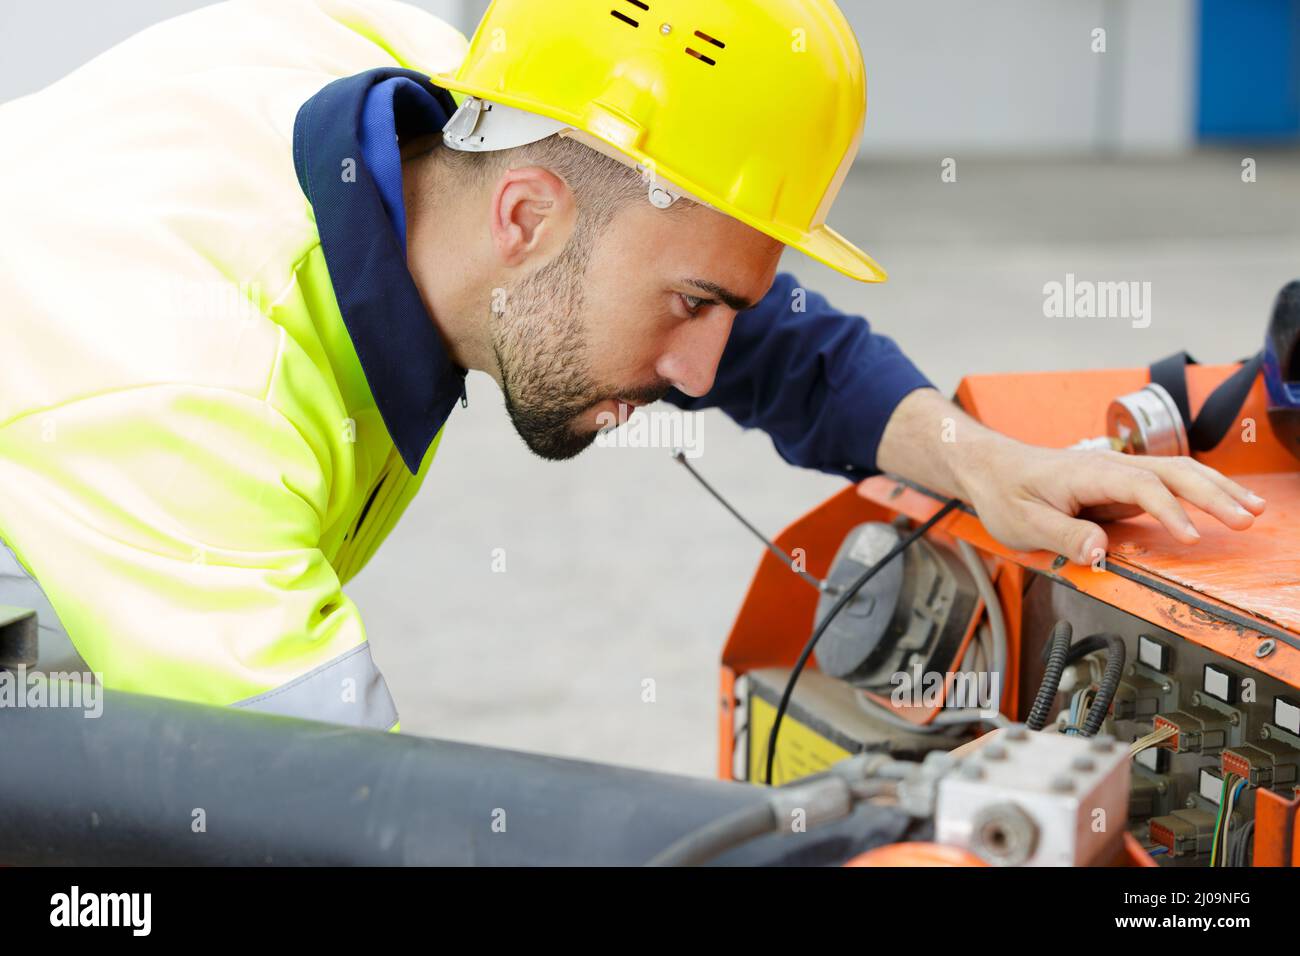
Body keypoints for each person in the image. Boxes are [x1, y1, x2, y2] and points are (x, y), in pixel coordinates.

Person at [0, 0, 1263, 730]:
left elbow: (739, 313)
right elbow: (333, 798)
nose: (706, 373)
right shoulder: (193, 401)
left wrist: (978, 458)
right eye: (688, 305)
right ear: (524, 218)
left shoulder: (414, 86)